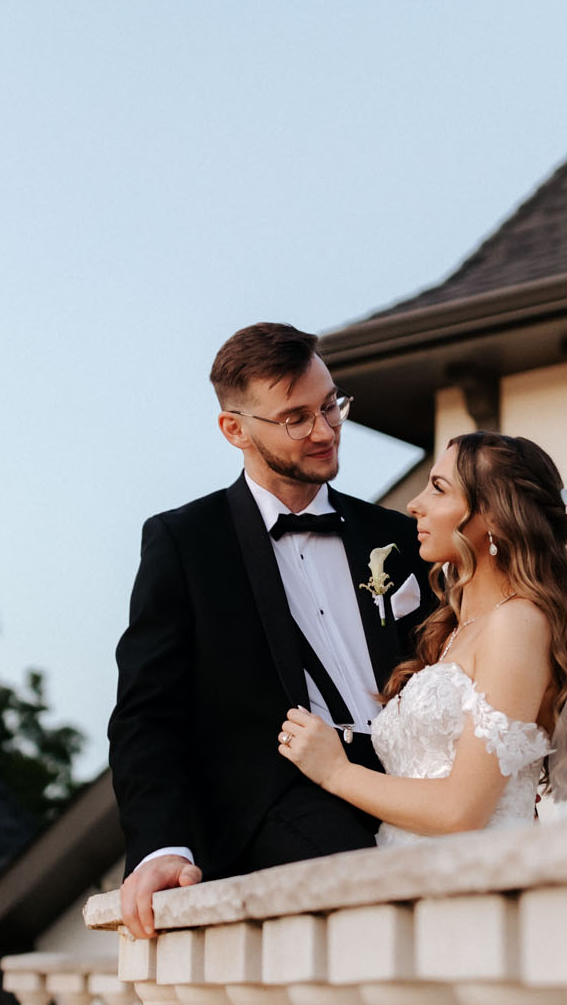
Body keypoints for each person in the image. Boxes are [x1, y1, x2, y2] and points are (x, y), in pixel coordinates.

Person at [109, 323, 430, 937]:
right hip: (280, 805)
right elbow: (146, 713)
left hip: (413, 784)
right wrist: (160, 847)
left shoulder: (392, 536)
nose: (325, 430)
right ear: (235, 429)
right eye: (295, 418)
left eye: (330, 405)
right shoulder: (186, 542)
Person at [278, 430, 567, 841]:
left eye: (439, 489)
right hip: (410, 872)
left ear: (493, 521)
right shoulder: (454, 629)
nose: (414, 504)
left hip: (472, 878)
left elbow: (462, 809)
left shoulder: (519, 624)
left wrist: (336, 771)